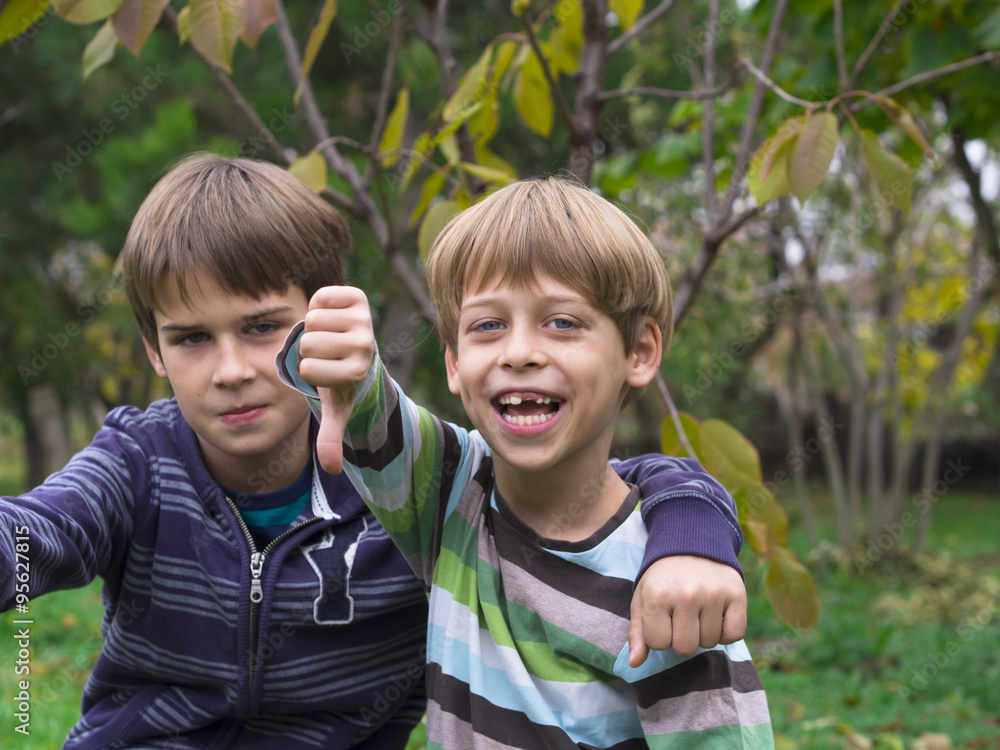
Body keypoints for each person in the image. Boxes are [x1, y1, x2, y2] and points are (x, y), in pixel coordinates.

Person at [0, 156, 746, 749]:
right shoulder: (139, 463)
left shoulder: (416, 494)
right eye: (191, 338)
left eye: (263, 328)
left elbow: (603, 485)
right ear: (153, 349)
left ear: (324, 322)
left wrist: (693, 531)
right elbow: (39, 533)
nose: (230, 370)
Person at [286, 176, 774, 748]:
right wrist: (344, 364)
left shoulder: (669, 586)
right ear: (453, 361)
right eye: (488, 325)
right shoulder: (449, 495)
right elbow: (372, 413)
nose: (519, 353)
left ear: (639, 351)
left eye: (562, 322)